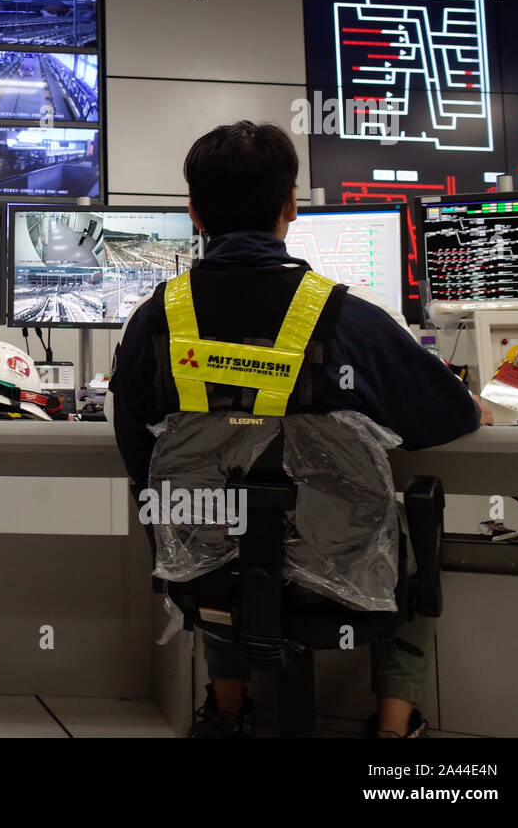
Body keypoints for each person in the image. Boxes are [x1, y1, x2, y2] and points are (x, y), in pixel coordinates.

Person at [111, 120, 491, 739]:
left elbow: (138, 453)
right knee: (412, 541)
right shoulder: (350, 318)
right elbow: (445, 415)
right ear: (291, 205)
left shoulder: (156, 319)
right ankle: (394, 730)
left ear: (193, 213)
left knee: (216, 527)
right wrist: (481, 405)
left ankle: (228, 713)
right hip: (343, 577)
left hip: (210, 569)